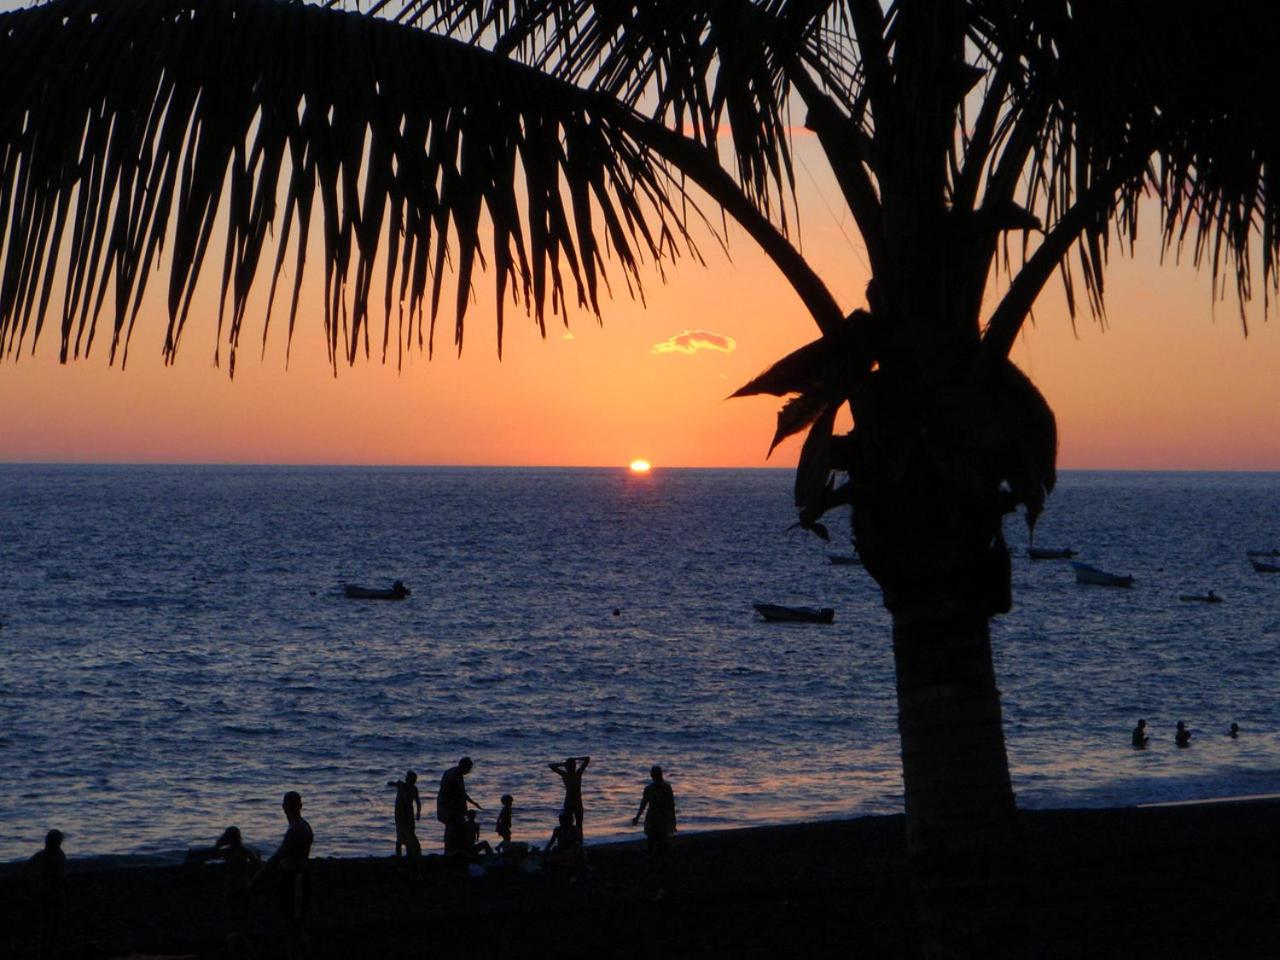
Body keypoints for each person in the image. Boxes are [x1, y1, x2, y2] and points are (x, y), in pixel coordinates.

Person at [252, 791, 314, 960]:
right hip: (296, 877)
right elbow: (287, 856)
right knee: (293, 924)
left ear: (284, 807)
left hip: (295, 879)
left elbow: (279, 857)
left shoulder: (295, 829)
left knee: (294, 925)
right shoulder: (304, 825)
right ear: (300, 806)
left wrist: (256, 878)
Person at [187, 826, 261, 952]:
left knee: (232, 915)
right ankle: (244, 942)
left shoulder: (227, 852)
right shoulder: (245, 851)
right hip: (244, 886)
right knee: (243, 916)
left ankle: (233, 942)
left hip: (231, 886)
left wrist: (217, 844)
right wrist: (257, 858)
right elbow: (256, 865)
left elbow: (211, 855)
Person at [633, 766, 676, 897]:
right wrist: (637, 817)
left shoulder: (658, 788)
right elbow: (670, 806)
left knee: (656, 842)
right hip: (657, 818)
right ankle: (655, 861)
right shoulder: (662, 788)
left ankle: (655, 861)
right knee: (655, 842)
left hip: (657, 818)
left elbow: (670, 805)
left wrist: (637, 817)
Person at [29, 829, 66, 960]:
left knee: (48, 924)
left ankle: (46, 950)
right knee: (49, 924)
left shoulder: (43, 856)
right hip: (49, 893)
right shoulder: (57, 856)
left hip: (49, 893)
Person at [437, 757, 482, 855]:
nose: (469, 771)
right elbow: (460, 793)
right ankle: (451, 852)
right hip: (449, 808)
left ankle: (450, 852)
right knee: (452, 830)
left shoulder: (454, 772)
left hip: (448, 806)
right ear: (464, 766)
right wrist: (473, 803)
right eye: (469, 768)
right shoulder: (454, 775)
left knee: (452, 829)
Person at [549, 755, 590, 840]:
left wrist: (573, 759)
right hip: (572, 802)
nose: (572, 767)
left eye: (572, 765)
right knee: (569, 824)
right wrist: (566, 763)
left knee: (577, 824)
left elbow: (587, 759)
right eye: (572, 765)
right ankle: (571, 841)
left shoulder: (575, 773)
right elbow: (551, 765)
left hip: (574, 802)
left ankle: (578, 842)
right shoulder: (570, 774)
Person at [386, 770, 422, 865]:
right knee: (400, 834)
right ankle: (399, 856)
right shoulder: (402, 786)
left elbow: (418, 802)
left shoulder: (413, 789)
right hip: (400, 813)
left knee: (410, 833)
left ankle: (409, 854)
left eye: (411, 779)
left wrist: (418, 813)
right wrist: (394, 783)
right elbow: (390, 783)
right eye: (408, 778)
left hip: (409, 813)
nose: (408, 780)